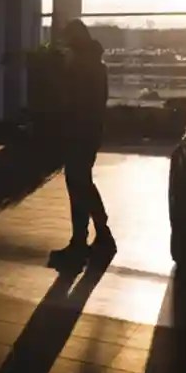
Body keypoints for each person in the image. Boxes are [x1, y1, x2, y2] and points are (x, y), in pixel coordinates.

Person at [51, 19, 115, 263]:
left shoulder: (80, 67)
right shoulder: (96, 66)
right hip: (89, 133)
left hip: (79, 133)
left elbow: (71, 102)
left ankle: (85, 239)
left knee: (78, 185)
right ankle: (97, 235)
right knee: (82, 184)